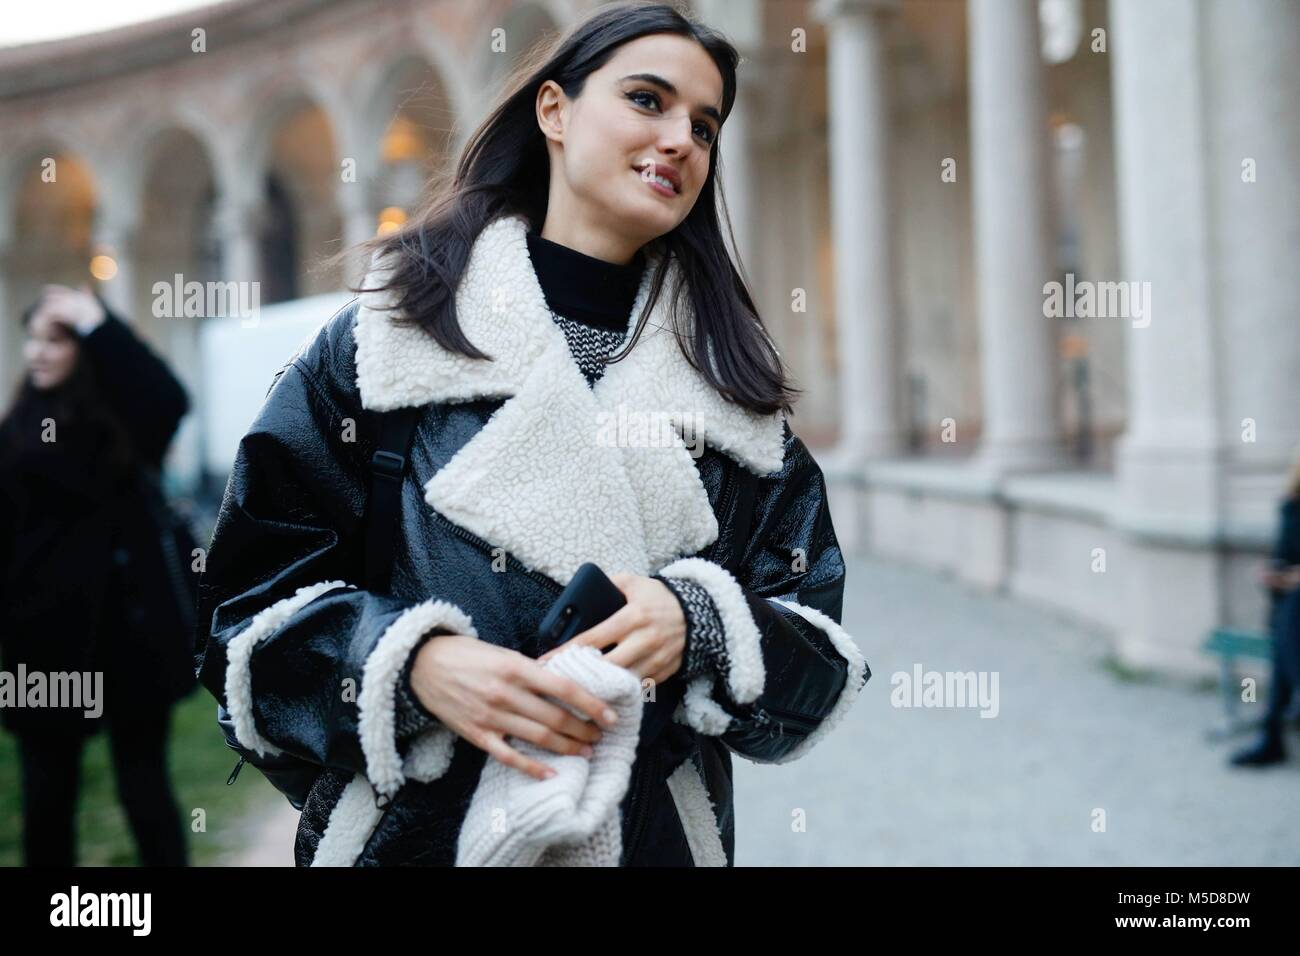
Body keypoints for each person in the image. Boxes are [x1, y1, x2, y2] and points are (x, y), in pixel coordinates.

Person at [194, 0, 869, 867]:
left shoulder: (732, 396)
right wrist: (408, 668)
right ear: (554, 110)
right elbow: (242, 613)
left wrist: (701, 622)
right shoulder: (387, 341)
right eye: (647, 100)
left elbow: (822, 654)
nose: (680, 141)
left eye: (705, 127)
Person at [0, 284, 195, 865]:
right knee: (47, 795)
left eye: (55, 340)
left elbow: (168, 398)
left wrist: (97, 321)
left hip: (126, 634)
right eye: (32, 339)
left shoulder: (125, 425)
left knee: (144, 787)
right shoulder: (15, 430)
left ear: (82, 349)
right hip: (42, 640)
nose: (38, 352)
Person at [1230, 451, 1300, 766]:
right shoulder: (1291, 506)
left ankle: (1271, 737)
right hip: (1290, 607)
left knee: (1288, 621)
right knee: (1286, 620)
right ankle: (1272, 735)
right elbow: (1282, 556)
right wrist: (1272, 575)